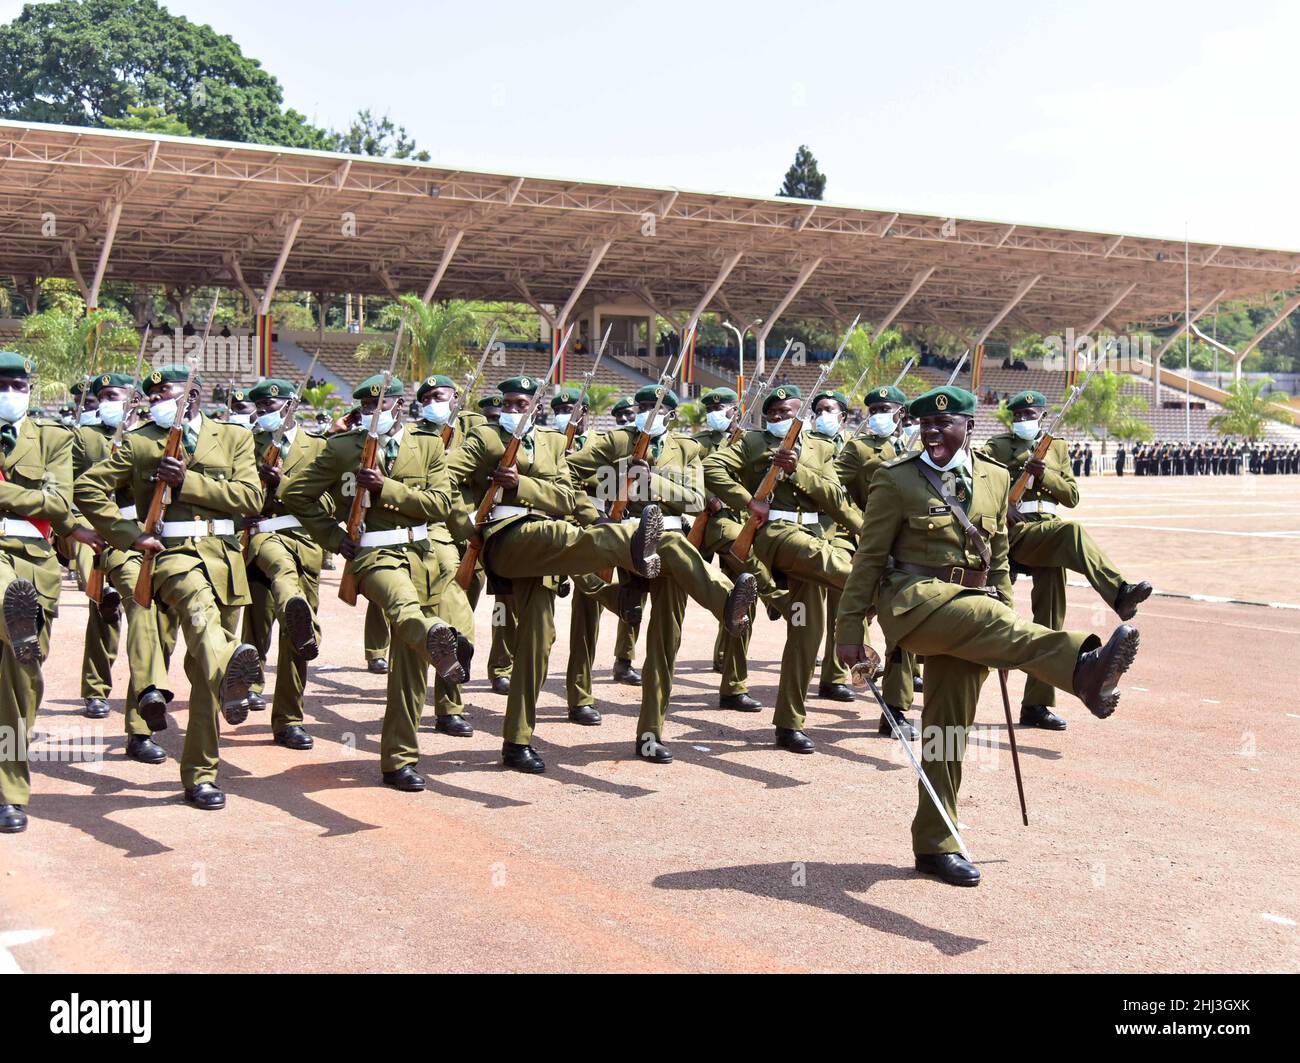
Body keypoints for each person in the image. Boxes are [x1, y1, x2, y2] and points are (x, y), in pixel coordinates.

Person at [837, 385, 1142, 887]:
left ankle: (936, 843)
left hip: (977, 610)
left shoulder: (996, 478)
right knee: (989, 642)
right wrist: (850, 630)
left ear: (968, 427)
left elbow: (996, 554)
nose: (932, 432)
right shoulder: (895, 480)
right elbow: (869, 558)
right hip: (918, 604)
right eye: (924, 426)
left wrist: (1003, 607)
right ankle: (1080, 668)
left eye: (944, 424)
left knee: (947, 729)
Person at [446, 375, 665, 773]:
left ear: (536, 405)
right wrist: (470, 525)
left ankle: (517, 741)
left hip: (542, 552)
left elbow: (567, 494)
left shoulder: (549, 442)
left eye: (522, 403)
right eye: (509, 404)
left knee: (538, 641)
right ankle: (627, 544)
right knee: (568, 536)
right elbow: (444, 480)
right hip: (506, 537)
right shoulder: (484, 439)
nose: (515, 410)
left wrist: (521, 484)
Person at [78, 365, 265, 812]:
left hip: (224, 559)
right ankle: (229, 677)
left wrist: (188, 480)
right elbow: (89, 487)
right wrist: (130, 535)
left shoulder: (233, 437)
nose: (160, 398)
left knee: (204, 666)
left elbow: (251, 498)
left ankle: (200, 774)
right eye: (155, 392)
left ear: (194, 395)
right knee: (199, 628)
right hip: (172, 556)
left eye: (170, 392)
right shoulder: (141, 441)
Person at [280, 373, 466, 792]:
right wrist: (334, 536)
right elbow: (296, 495)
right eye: (366, 408)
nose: (372, 414)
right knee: (402, 609)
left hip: (423, 556)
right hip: (373, 554)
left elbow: (440, 504)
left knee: (411, 670)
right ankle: (439, 637)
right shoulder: (344, 447)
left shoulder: (428, 444)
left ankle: (399, 760)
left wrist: (387, 487)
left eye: (379, 407)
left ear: (399, 406)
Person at [567, 383, 756, 762]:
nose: (646, 414)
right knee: (586, 602)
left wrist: (650, 477)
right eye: (641, 406)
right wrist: (597, 513)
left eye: (655, 409)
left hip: (668, 538)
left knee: (665, 642)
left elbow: (697, 498)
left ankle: (650, 732)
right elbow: (568, 473)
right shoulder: (615, 441)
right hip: (622, 535)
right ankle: (579, 694)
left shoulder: (685, 448)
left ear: (670, 415)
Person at [981, 391, 1152, 729]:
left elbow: (1072, 496)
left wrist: (1044, 475)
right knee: (1072, 533)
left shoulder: (1056, 448)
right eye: (1019, 416)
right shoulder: (998, 446)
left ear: (1042, 417)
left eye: (1031, 415)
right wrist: (1004, 503)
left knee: (1049, 619)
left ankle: (1036, 704)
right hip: (1017, 533)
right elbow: (980, 478)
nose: (1025, 421)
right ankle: (1120, 592)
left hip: (1048, 536)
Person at [703, 383, 859, 754]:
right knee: (826, 563)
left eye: (785, 413)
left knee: (806, 633)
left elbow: (836, 498)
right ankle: (872, 589)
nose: (777, 419)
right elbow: (713, 466)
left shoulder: (820, 446)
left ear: (799, 415)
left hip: (817, 537)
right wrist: (751, 500)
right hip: (776, 535)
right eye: (771, 414)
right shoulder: (753, 442)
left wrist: (798, 469)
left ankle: (789, 724)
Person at [68, 372, 174, 763]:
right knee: (128, 604)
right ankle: (97, 690)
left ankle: (140, 725)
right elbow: (75, 488)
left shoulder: (153, 435)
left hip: (160, 537)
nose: (119, 402)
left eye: (125, 396)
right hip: (110, 535)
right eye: (110, 396)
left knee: (157, 633)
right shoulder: (85, 437)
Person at [0, 352, 74, 834]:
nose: (11, 394)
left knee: (23, 682)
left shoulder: (52, 438)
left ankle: (8, 786)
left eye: (18, 385)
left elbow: (60, 504)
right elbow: (41, 499)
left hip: (32, 559)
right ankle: (9, 793)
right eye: (2, 384)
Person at [239, 377, 328, 750]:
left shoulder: (319, 448)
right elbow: (234, 496)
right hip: (258, 540)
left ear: (292, 406)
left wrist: (285, 482)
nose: (264, 415)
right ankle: (247, 684)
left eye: (271, 408)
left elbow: (328, 506)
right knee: (256, 625)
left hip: (303, 542)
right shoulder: (245, 444)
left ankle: (289, 719)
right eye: (259, 410)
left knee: (297, 633)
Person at [835, 384, 920, 739]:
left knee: (903, 630)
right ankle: (844, 670)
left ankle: (895, 710)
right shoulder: (858, 449)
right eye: (874, 410)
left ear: (901, 413)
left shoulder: (919, 449)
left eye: (886, 409)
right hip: (872, 547)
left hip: (911, 552)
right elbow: (833, 491)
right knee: (857, 613)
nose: (879, 416)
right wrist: (860, 524)